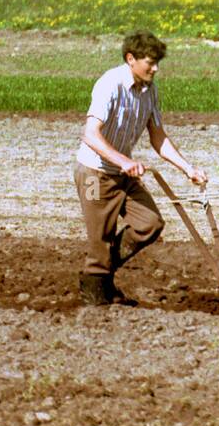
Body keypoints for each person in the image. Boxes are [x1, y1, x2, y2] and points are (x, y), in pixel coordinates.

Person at [74, 31, 208, 305]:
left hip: (123, 172)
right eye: (151, 62)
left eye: (158, 62)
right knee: (100, 240)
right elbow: (90, 134)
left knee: (150, 223)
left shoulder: (149, 90)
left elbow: (158, 136)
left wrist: (188, 169)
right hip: (95, 174)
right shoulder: (110, 84)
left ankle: (100, 276)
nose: (156, 68)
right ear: (130, 59)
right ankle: (96, 297)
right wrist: (124, 161)